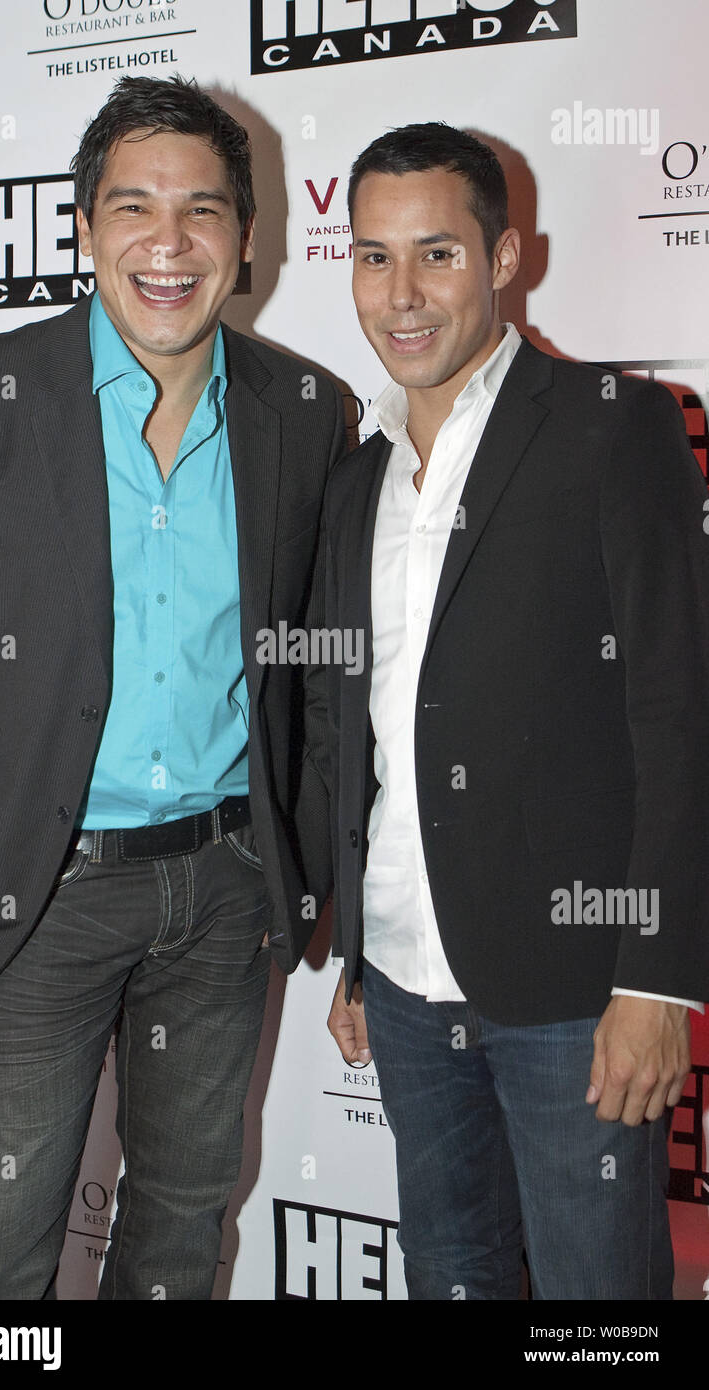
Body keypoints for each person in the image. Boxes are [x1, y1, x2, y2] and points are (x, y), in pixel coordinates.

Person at [0, 73, 344, 1300]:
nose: (170, 243)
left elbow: (312, 662)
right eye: (134, 208)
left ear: (247, 240)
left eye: (203, 211)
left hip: (223, 891)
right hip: (37, 893)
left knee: (178, 1228)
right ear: (85, 227)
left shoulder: (304, 413)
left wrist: (299, 854)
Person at [325, 121, 709, 1300]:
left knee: (600, 1301)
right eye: (373, 256)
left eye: (436, 253)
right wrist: (351, 937)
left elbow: (679, 709)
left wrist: (658, 983)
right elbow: (367, 726)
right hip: (397, 974)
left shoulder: (615, 425)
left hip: (572, 992)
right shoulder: (355, 473)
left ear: (503, 259)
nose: (401, 294)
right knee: (452, 1277)